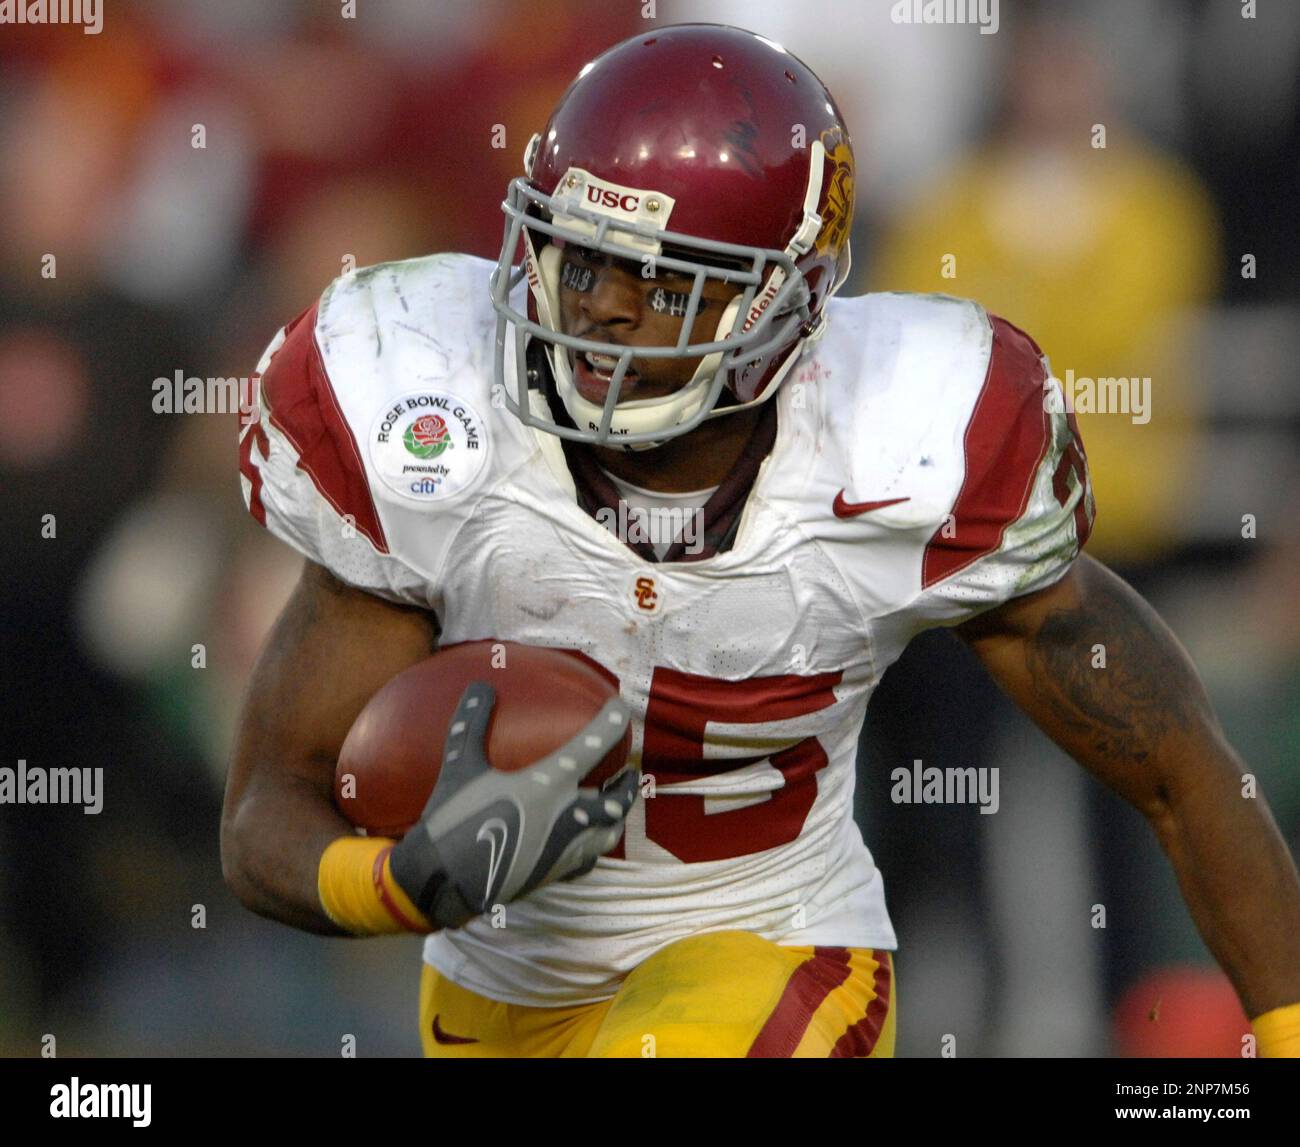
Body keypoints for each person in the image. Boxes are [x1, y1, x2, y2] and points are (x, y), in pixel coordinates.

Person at [222, 23, 1300, 1058]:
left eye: (658, 277)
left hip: (776, 953)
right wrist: (402, 882)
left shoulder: (902, 442)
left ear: (779, 304)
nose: (594, 307)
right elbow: (268, 803)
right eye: (577, 256)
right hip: (497, 996)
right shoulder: (428, 419)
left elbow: (1180, 770)